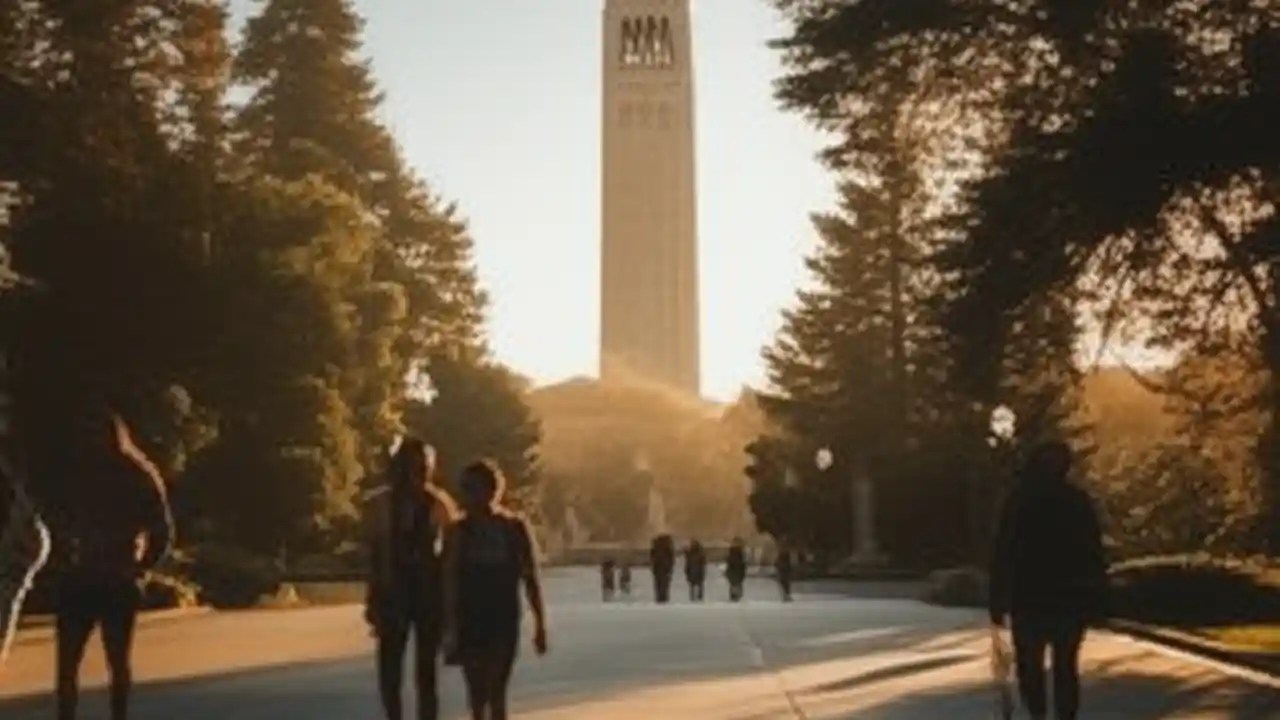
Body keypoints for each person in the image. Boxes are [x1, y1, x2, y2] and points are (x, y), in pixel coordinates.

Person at [50, 410, 174, 720]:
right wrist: (142, 567)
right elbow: (162, 530)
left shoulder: (80, 475)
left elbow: (162, 530)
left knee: (75, 664)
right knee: (111, 662)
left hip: (92, 575)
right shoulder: (137, 475)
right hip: (108, 576)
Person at [989, 440, 1107, 720]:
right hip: (1052, 597)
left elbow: (1003, 550)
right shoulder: (1074, 501)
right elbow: (1094, 552)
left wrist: (998, 598)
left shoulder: (1022, 500)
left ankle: (1047, 714)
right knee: (1052, 666)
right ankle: (1048, 714)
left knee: (1047, 666)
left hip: (1041, 597)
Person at [444, 460, 548, 720]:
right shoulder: (458, 532)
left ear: (494, 490)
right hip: (470, 618)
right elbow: (449, 580)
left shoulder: (514, 529)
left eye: (476, 489)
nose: (471, 496)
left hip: (502, 618)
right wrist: (449, 627)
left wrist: (540, 623)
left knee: (497, 692)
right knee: (477, 695)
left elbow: (530, 576)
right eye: (468, 489)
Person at [365, 437, 455, 720]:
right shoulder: (382, 504)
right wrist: (373, 595)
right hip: (393, 590)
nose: (415, 474)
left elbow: (452, 551)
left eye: (421, 467)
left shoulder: (438, 504)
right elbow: (375, 553)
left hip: (428, 592)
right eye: (409, 467)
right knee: (389, 670)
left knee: (426, 672)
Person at [649, 534, 675, 603]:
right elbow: (671, 559)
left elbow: (652, 557)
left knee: (658, 584)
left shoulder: (655, 547)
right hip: (664, 568)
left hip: (658, 567)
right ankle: (664, 598)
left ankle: (659, 598)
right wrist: (670, 567)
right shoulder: (667, 548)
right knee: (664, 584)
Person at [726, 537, 747, 602]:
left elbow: (729, 565)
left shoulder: (731, 554)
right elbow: (742, 565)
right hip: (737, 572)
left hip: (733, 573)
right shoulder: (740, 555)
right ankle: (736, 595)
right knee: (737, 584)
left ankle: (734, 595)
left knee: (734, 584)